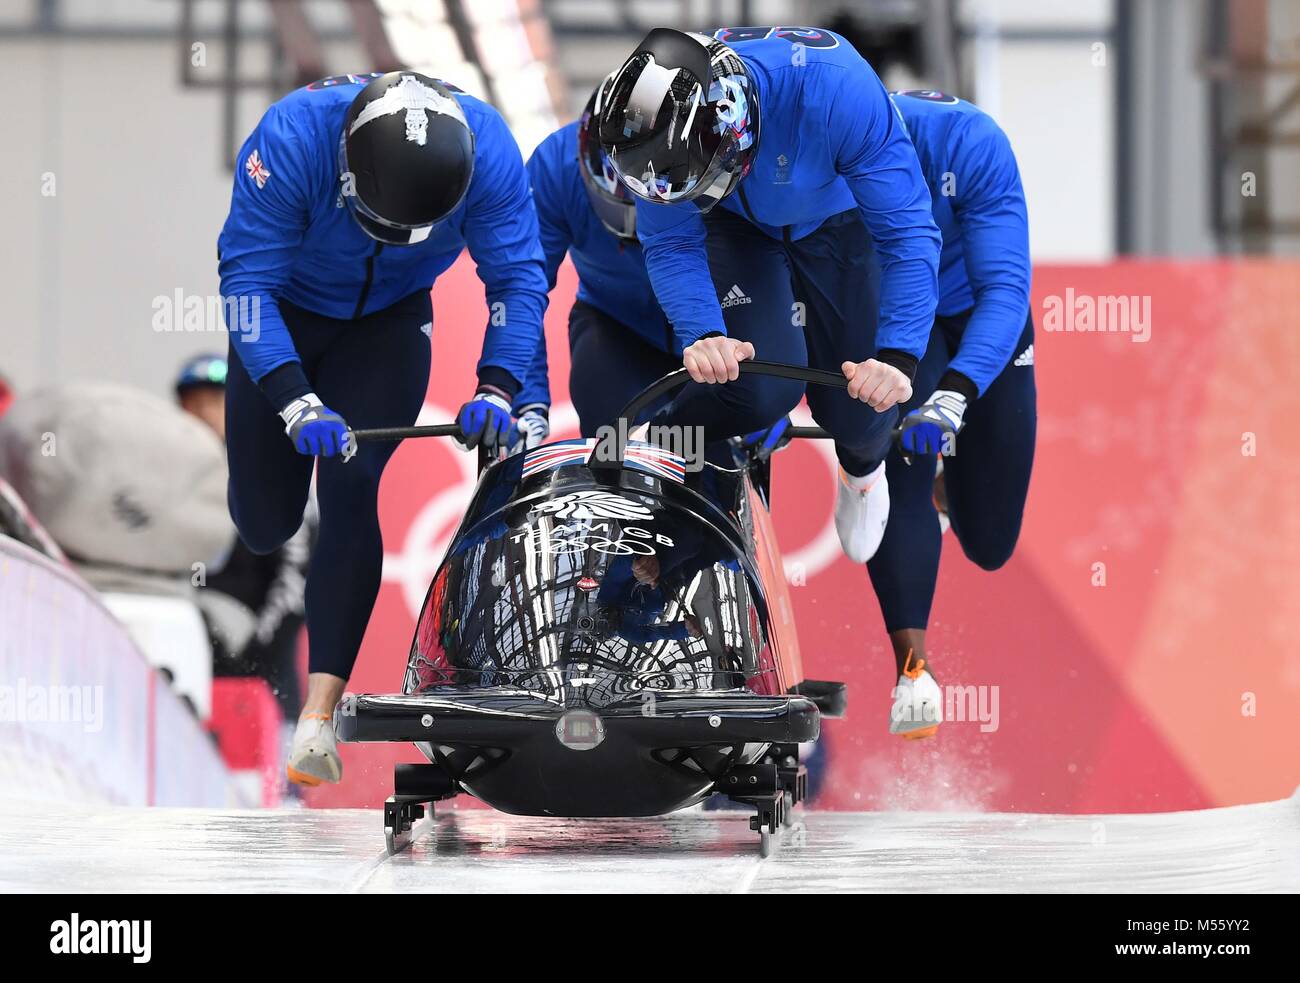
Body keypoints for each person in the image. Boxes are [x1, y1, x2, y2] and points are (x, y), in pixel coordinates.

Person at [217, 71, 548, 786]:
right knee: (264, 522)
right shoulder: (294, 138)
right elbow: (245, 288)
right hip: (289, 313)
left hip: (390, 323)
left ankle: (317, 715)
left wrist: (498, 383)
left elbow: (519, 280)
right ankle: (269, 495)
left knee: (352, 483)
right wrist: (293, 397)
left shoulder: (487, 151)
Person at [596, 27, 941, 560]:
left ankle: (865, 470)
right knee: (756, 386)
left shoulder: (837, 92)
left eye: (707, 177)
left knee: (858, 407)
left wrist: (899, 354)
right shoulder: (656, 141)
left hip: (838, 218)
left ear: (737, 129)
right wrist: (704, 334)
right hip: (736, 226)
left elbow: (908, 232)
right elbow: (670, 243)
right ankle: (661, 441)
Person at [866, 89, 1035, 739]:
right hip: (904, 317)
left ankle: (949, 482)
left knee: (990, 542)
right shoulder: (837, 155)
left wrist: (959, 392)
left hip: (979, 314)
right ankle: (913, 671)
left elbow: (1005, 291)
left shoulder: (972, 142)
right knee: (904, 458)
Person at [513, 83, 681, 439]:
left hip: (717, 337)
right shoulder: (555, 168)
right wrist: (527, 401)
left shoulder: (721, 160)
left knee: (701, 457)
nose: (636, 229)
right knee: (611, 444)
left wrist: (762, 382)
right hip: (615, 323)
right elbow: (520, 288)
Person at [174, 354, 313, 727]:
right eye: (193, 402)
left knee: (271, 781)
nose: (202, 412)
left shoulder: (272, 475)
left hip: (263, 696)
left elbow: (294, 583)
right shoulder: (165, 481)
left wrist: (250, 654)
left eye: (216, 400)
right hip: (183, 695)